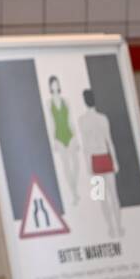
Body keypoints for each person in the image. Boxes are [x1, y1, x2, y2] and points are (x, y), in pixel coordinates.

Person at [77, 88, 123, 238]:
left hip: (96, 160)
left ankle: (111, 228)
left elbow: (85, 147)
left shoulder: (82, 121)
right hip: (105, 157)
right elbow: (110, 142)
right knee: (112, 195)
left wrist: (88, 166)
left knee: (101, 197)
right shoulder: (102, 118)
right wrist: (115, 161)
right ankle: (118, 227)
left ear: (84, 101)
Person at [46, 76, 80, 205]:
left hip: (69, 134)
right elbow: (51, 123)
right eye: (52, 84)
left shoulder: (66, 101)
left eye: (56, 84)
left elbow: (71, 120)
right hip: (58, 136)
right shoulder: (49, 103)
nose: (55, 86)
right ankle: (74, 193)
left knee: (76, 164)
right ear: (50, 87)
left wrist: (76, 137)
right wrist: (52, 140)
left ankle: (74, 186)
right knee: (66, 165)